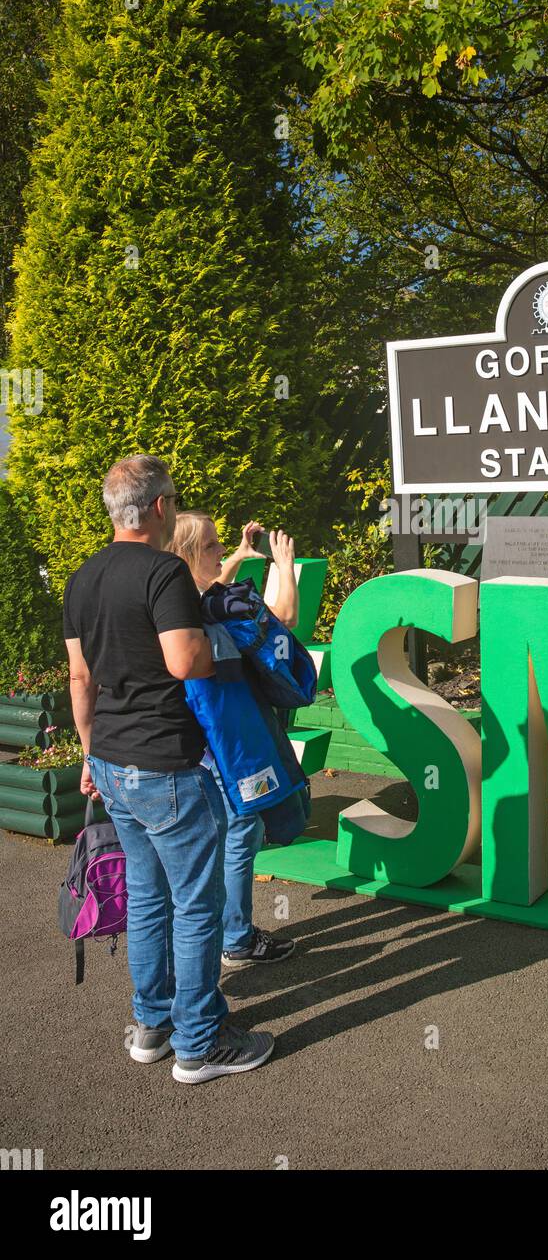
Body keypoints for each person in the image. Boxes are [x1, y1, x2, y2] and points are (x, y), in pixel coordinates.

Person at [63, 455, 274, 1084]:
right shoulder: (163, 574)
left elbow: (81, 678)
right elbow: (185, 662)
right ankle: (200, 1045)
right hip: (167, 766)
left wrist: (87, 753)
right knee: (197, 906)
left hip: (113, 760)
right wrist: (223, 647)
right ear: (159, 508)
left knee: (149, 900)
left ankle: (151, 1026)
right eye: (175, 500)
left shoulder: (81, 580)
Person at [168, 512, 300, 967]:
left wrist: (242, 556)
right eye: (212, 546)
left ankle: (226, 932)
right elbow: (282, 621)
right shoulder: (207, 604)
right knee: (243, 836)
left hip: (200, 751)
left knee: (220, 841)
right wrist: (284, 566)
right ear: (185, 553)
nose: (220, 552)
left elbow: (211, 588)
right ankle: (237, 940)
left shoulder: (176, 602)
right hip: (232, 752)